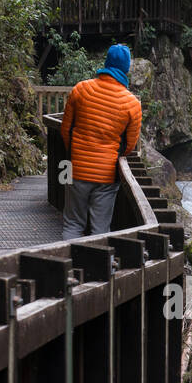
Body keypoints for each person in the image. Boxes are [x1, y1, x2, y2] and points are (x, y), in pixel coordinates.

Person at [58, 43, 143, 239]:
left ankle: (67, 266)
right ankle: (96, 268)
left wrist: (75, 155)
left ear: (107, 62)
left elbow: (65, 129)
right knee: (100, 231)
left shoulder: (81, 89)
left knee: (72, 224)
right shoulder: (132, 104)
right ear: (126, 68)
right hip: (106, 176)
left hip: (75, 169)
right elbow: (129, 145)